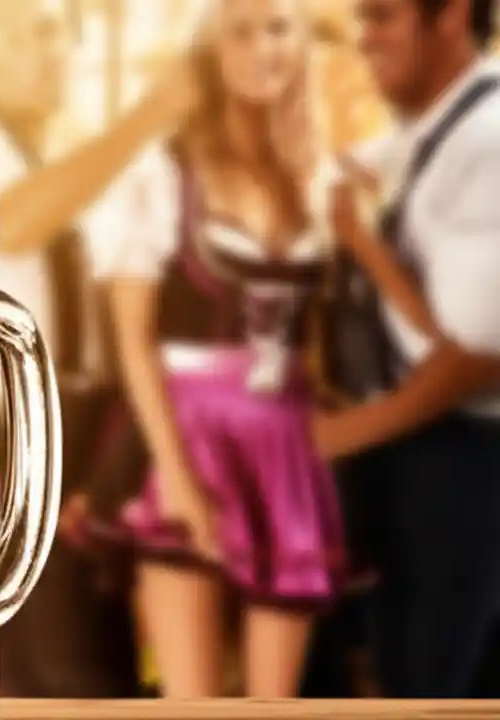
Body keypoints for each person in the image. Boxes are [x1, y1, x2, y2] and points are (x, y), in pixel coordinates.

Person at [77, 0, 435, 698]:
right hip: (185, 435)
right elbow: (132, 337)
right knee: (193, 701)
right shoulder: (162, 171)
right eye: (240, 30)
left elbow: (402, 330)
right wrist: (177, 478)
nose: (262, 48)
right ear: (211, 48)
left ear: (301, 42)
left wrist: (362, 237)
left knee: (276, 706)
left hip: (283, 447)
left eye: (279, 28)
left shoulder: (319, 177)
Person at [0, 0, 141, 698]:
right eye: (22, 33)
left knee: (83, 643)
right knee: (58, 656)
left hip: (84, 423)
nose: (44, 50)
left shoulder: (59, 155)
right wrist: (154, 112)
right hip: (8, 419)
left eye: (53, 32)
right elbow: (20, 221)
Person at [316, 0, 500, 698]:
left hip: (465, 465)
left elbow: (476, 356)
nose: (364, 41)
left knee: (430, 689)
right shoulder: (432, 131)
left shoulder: (486, 140)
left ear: (452, 16)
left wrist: (338, 436)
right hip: (422, 456)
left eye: (382, 18)